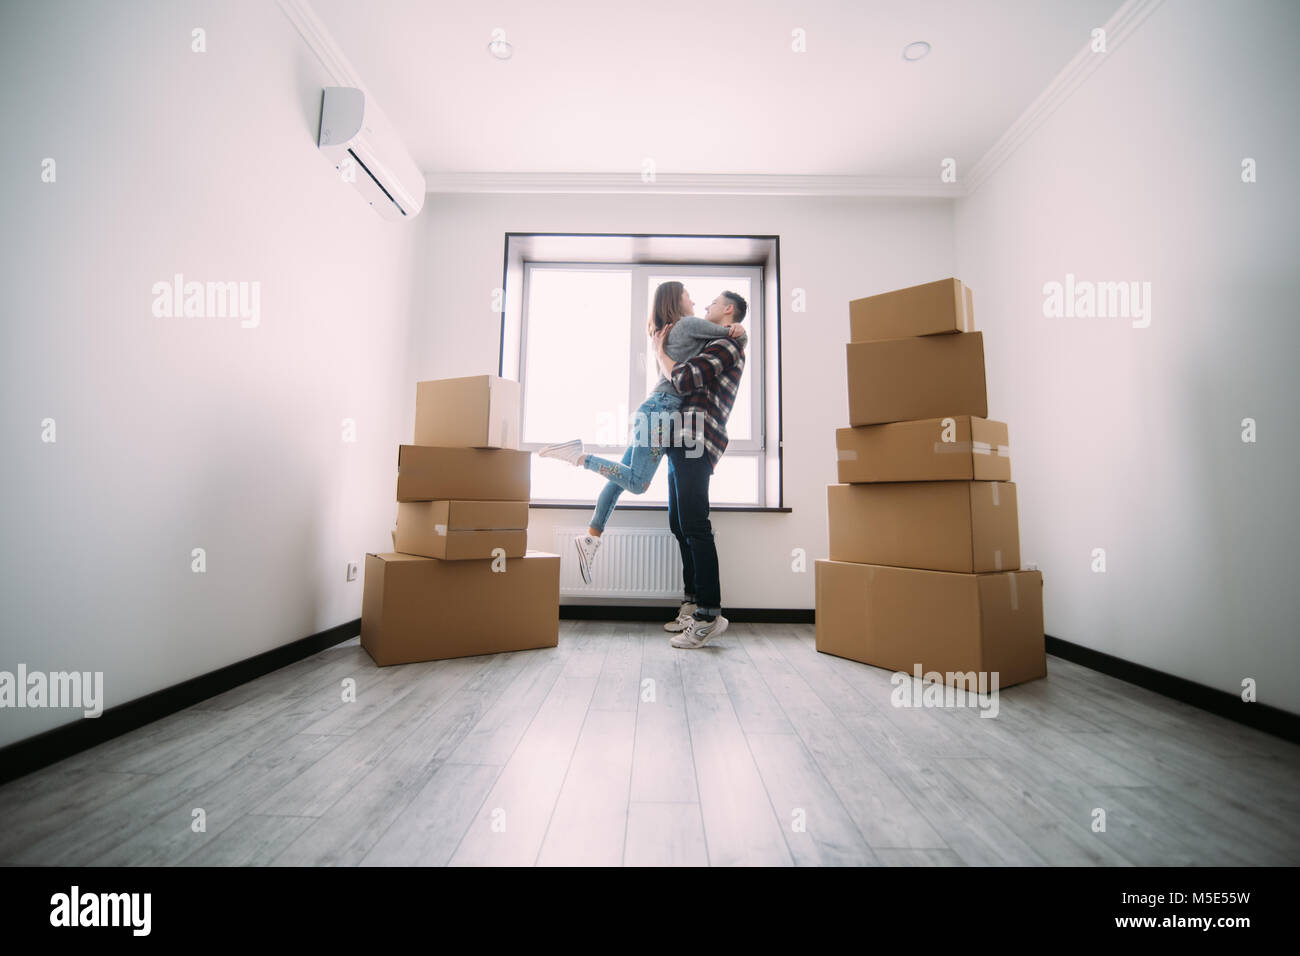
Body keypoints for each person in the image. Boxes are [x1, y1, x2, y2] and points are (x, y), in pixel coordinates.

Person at [536, 282, 746, 583]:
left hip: (655, 407)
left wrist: (661, 350)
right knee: (637, 483)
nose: (696, 302)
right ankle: (578, 456)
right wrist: (739, 329)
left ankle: (591, 537)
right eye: (689, 296)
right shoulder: (687, 324)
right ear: (677, 300)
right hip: (662, 409)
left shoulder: (671, 331)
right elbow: (732, 334)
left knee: (622, 476)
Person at [651, 290, 748, 648]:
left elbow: (684, 379)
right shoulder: (709, 342)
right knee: (679, 524)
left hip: (697, 437)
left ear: (727, 310)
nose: (704, 307)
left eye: (711, 303)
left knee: (695, 524)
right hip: (680, 437)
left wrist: (660, 353)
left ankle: (709, 615)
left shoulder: (727, 346)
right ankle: (692, 605)